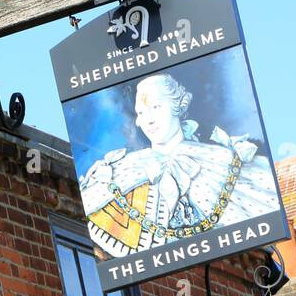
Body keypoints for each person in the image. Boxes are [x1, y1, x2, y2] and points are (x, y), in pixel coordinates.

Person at [79, 73, 280, 258]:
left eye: (156, 107)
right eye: (141, 112)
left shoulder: (226, 160)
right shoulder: (119, 171)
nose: (148, 120)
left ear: (178, 106)